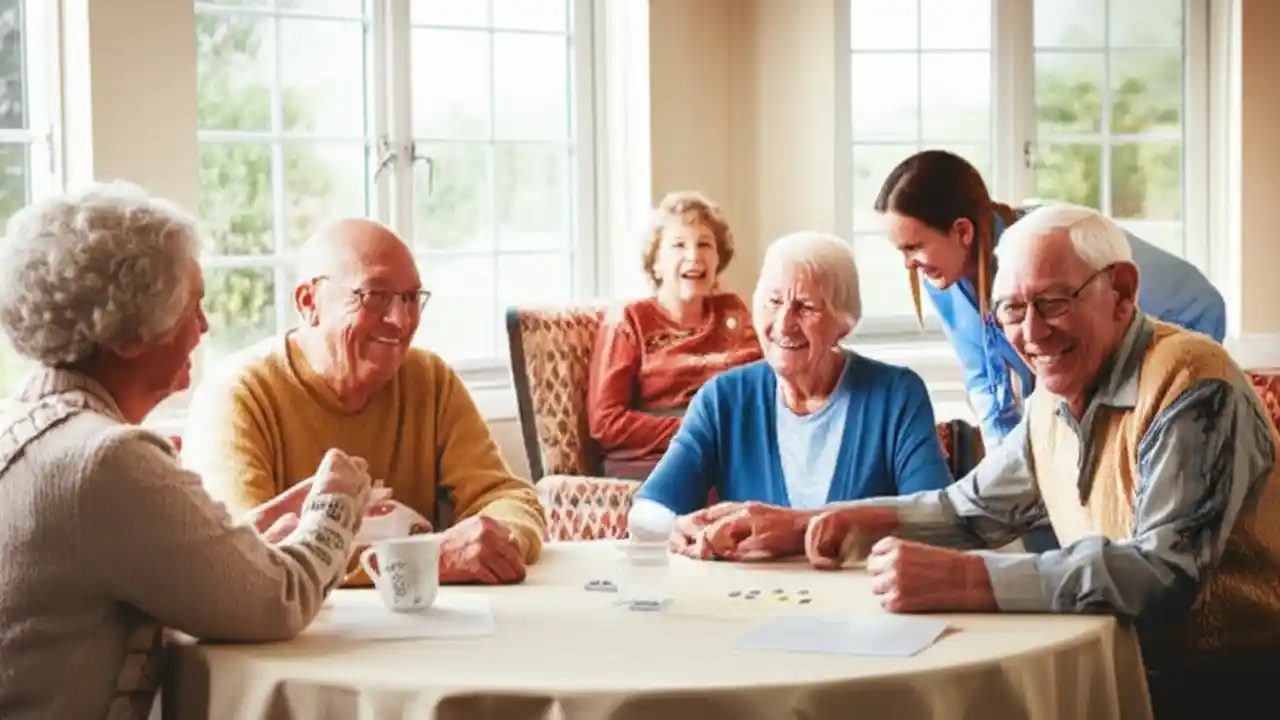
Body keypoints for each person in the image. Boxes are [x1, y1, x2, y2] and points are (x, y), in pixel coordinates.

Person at [676, 205, 1280, 717]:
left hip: (1219, 688)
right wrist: (807, 524)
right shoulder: (1054, 394)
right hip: (1117, 672)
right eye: (1011, 311)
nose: (1032, 334)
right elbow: (969, 512)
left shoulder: (1192, 380)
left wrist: (968, 579)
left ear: (1121, 292)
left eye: (1053, 301)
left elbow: (1163, 571)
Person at [0, 182, 373, 719]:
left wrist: (256, 530)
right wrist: (336, 507)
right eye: (191, 305)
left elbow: (170, 567)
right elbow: (277, 601)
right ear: (125, 334)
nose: (203, 327)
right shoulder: (104, 462)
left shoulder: (28, 427)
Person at [183, 218, 545, 586]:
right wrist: (422, 560)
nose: (401, 320)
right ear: (309, 302)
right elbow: (245, 553)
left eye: (410, 298)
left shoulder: (430, 379)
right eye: (375, 296)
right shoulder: (238, 394)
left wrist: (501, 539)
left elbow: (506, 495)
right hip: (302, 635)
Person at [875, 150, 1227, 451]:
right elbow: (984, 379)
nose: (908, 263)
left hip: (1182, 332)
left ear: (962, 232)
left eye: (914, 247)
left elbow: (1199, 303)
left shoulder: (1049, 242)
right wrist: (1005, 465)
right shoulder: (942, 279)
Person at [628, 231, 952, 542]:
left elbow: (935, 518)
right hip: (753, 594)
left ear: (845, 321)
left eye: (807, 307)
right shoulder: (724, 399)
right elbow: (647, 511)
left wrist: (799, 530)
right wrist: (678, 529)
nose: (783, 324)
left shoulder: (896, 395)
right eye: (773, 301)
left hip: (860, 592)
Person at [587, 191, 762, 480]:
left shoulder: (737, 311)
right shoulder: (630, 320)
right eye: (678, 245)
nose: (694, 256)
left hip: (736, 453)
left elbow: (772, 385)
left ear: (719, 259)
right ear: (656, 262)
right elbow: (606, 423)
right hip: (659, 462)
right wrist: (699, 428)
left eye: (705, 244)